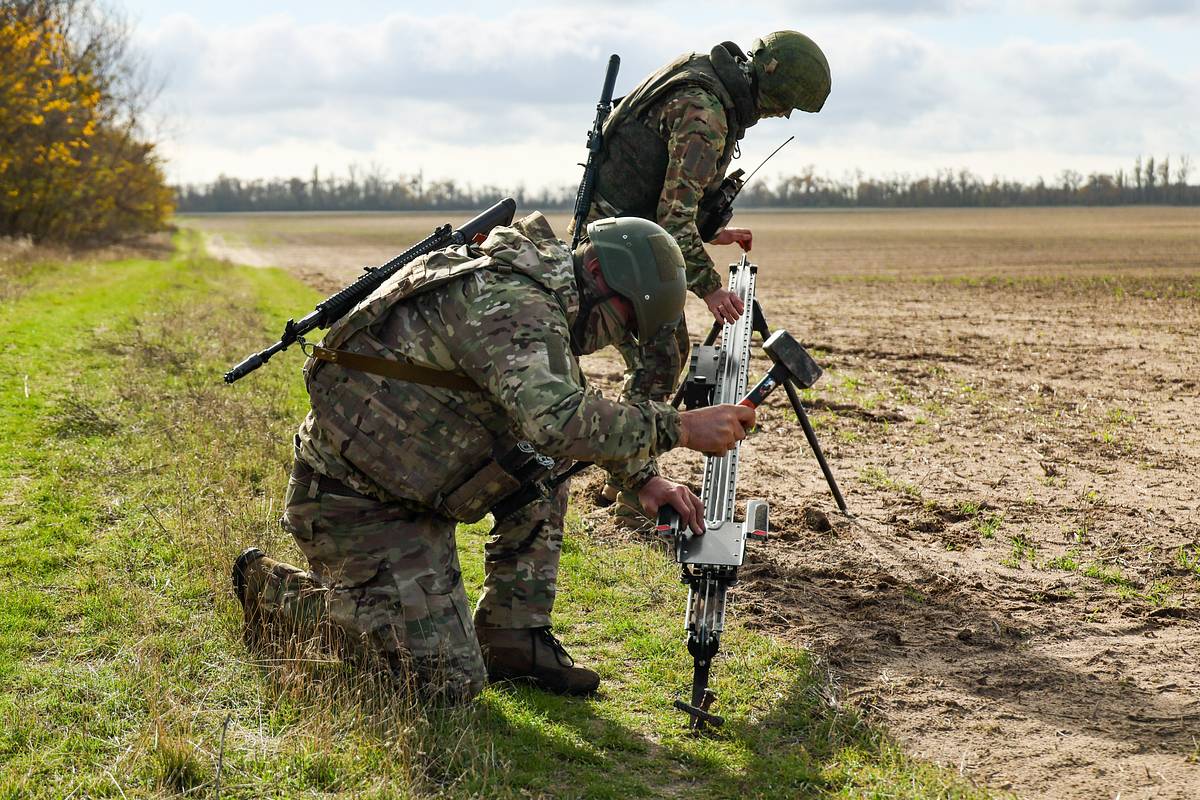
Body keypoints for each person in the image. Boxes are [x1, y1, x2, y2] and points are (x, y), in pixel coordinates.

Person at [232, 211, 756, 701]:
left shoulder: (545, 298)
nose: (618, 337)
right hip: (354, 500)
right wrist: (679, 428)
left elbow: (568, 403)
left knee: (548, 465)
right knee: (445, 681)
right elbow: (556, 419)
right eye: (624, 318)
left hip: (418, 482)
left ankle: (513, 635)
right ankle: (276, 593)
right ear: (595, 270)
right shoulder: (514, 302)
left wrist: (644, 480)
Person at [578, 30, 831, 518]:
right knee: (662, 353)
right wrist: (710, 287)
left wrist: (711, 232)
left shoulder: (706, 74)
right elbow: (672, 221)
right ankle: (632, 481)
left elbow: (668, 201)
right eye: (787, 106)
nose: (783, 116)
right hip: (611, 251)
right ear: (773, 90)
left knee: (662, 352)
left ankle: (627, 473)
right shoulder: (706, 115)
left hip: (621, 234)